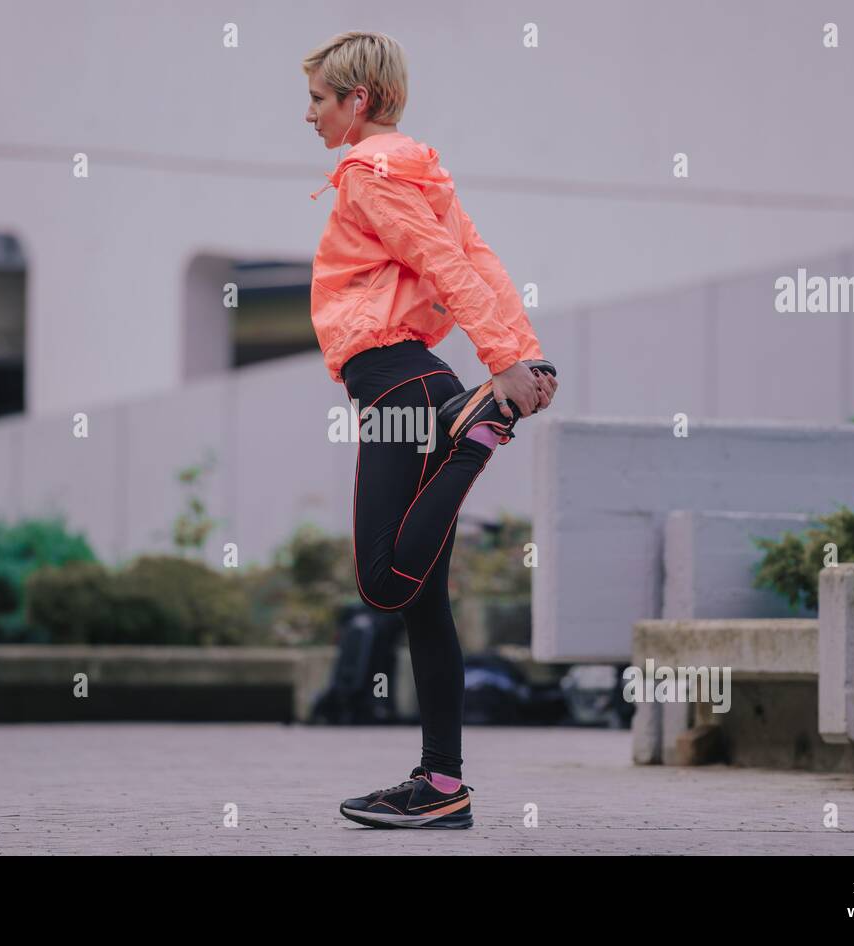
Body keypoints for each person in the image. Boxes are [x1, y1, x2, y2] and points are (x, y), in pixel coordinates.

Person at [303, 31, 559, 829]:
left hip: (399, 386)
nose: (308, 116)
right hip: (429, 383)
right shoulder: (424, 170)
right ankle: (441, 787)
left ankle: (477, 435)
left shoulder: (367, 171)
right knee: (425, 605)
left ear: (359, 101)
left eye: (317, 99)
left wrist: (506, 369)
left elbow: (448, 268)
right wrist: (525, 355)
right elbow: (477, 261)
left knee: (382, 583)